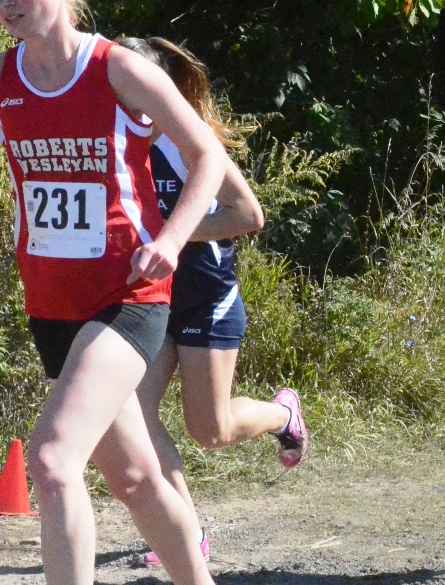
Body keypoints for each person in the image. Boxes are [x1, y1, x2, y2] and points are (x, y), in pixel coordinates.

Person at [0, 1, 229, 583]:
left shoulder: (117, 68)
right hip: (52, 305)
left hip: (128, 295)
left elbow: (208, 156)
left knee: (52, 461)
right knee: (135, 481)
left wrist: (172, 241)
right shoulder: (5, 78)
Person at [115, 36, 310, 568]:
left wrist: (170, 235)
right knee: (132, 409)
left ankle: (282, 415)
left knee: (211, 430)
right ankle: (186, 534)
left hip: (207, 297)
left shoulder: (190, 144)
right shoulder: (112, 139)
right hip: (148, 301)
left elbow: (248, 215)